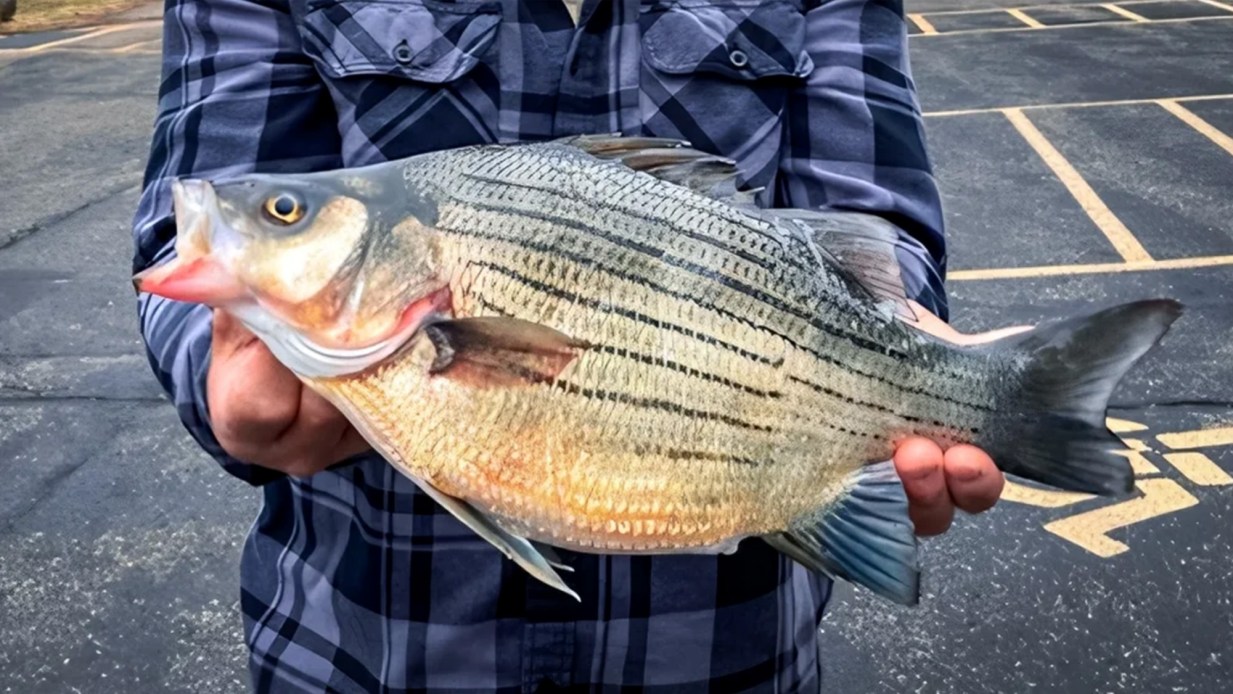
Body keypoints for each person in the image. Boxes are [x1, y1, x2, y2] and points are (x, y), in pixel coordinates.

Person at [131, 0, 1005, 691]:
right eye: (297, 212)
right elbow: (194, 242)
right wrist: (217, 380)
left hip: (720, 653)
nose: (271, 217)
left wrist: (898, 369)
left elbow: (874, 227)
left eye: (292, 213)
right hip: (366, 644)